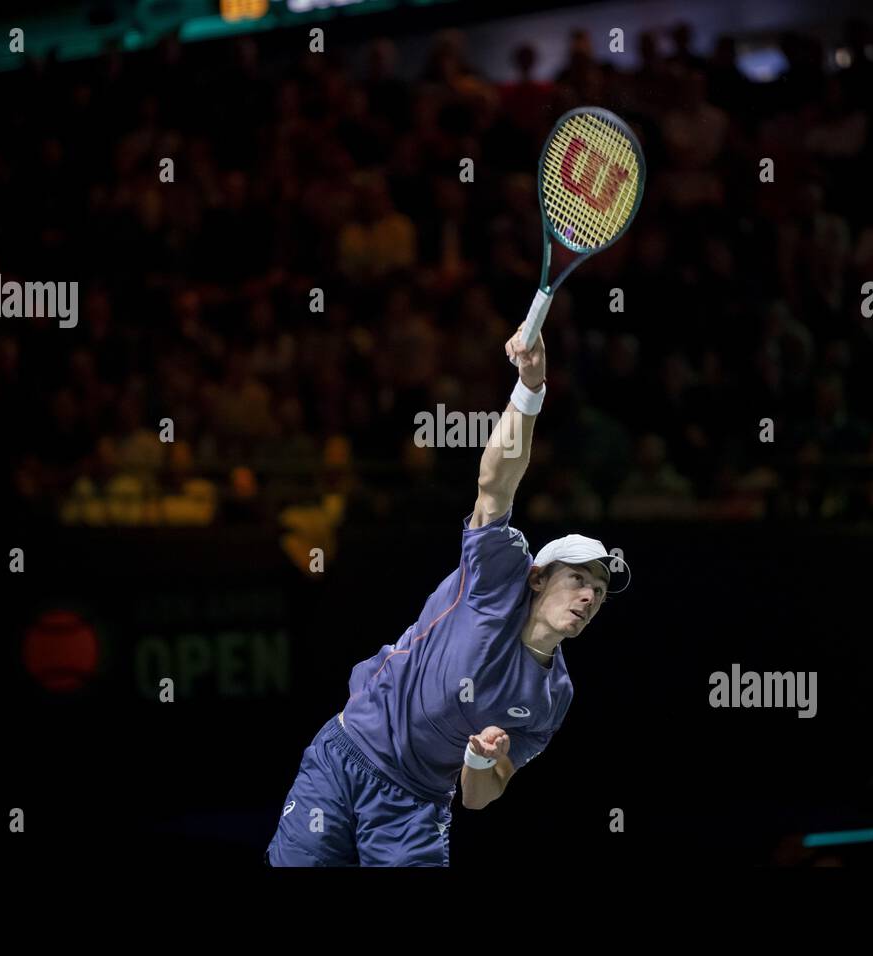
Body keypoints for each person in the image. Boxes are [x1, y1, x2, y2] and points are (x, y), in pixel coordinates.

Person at [265, 325, 630, 866]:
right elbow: (495, 483)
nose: (589, 596)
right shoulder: (498, 576)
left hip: (414, 807)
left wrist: (485, 760)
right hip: (346, 757)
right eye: (578, 579)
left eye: (599, 591)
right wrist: (530, 389)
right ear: (539, 578)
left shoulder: (553, 696)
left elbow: (480, 797)